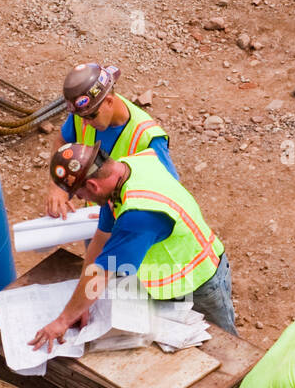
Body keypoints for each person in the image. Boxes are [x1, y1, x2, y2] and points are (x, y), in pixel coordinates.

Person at [29, 142, 236, 349]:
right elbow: (100, 240)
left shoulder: (138, 214)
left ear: (92, 185)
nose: (83, 199)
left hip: (201, 282)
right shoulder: (124, 172)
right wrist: (78, 307)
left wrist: (63, 321)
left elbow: (102, 272)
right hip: (169, 283)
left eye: (81, 195)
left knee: (225, 349)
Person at [45, 62, 176, 219]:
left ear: (108, 101)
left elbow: (169, 194)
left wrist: (114, 216)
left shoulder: (148, 138)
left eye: (90, 116)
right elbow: (62, 141)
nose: (85, 122)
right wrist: (58, 185)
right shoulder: (86, 111)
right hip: (91, 219)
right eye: (81, 117)